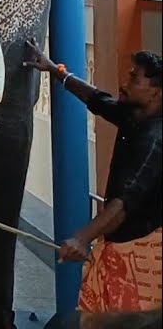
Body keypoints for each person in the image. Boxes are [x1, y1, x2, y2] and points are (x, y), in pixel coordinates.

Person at [26, 41, 162, 312]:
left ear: (157, 93)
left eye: (134, 78)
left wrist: (82, 238)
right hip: (120, 244)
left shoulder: (155, 139)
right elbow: (98, 100)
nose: (124, 83)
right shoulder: (134, 114)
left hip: (144, 252)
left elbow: (125, 200)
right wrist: (57, 72)